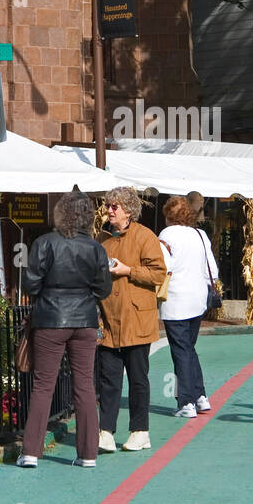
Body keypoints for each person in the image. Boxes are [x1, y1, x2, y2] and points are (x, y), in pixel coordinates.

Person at [17, 191, 112, 468]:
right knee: (84, 385)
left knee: (44, 386)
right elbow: (104, 288)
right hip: (84, 320)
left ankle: (31, 452)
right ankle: (88, 454)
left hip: (50, 319)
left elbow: (31, 284)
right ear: (88, 216)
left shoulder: (45, 243)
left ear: (60, 213)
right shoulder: (95, 247)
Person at [97, 186, 167, 452]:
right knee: (109, 379)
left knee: (138, 379)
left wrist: (128, 271)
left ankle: (140, 431)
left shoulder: (145, 236)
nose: (109, 210)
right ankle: (105, 431)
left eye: (114, 206)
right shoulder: (102, 237)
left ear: (128, 210)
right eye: (108, 205)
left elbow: (158, 274)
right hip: (109, 320)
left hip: (137, 319)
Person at [159, 195, 219, 417]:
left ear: (168, 215)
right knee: (189, 348)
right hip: (198, 299)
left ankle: (186, 402)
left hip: (176, 300)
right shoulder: (200, 234)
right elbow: (211, 269)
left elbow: (163, 267)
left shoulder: (166, 235)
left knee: (181, 351)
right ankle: (200, 396)